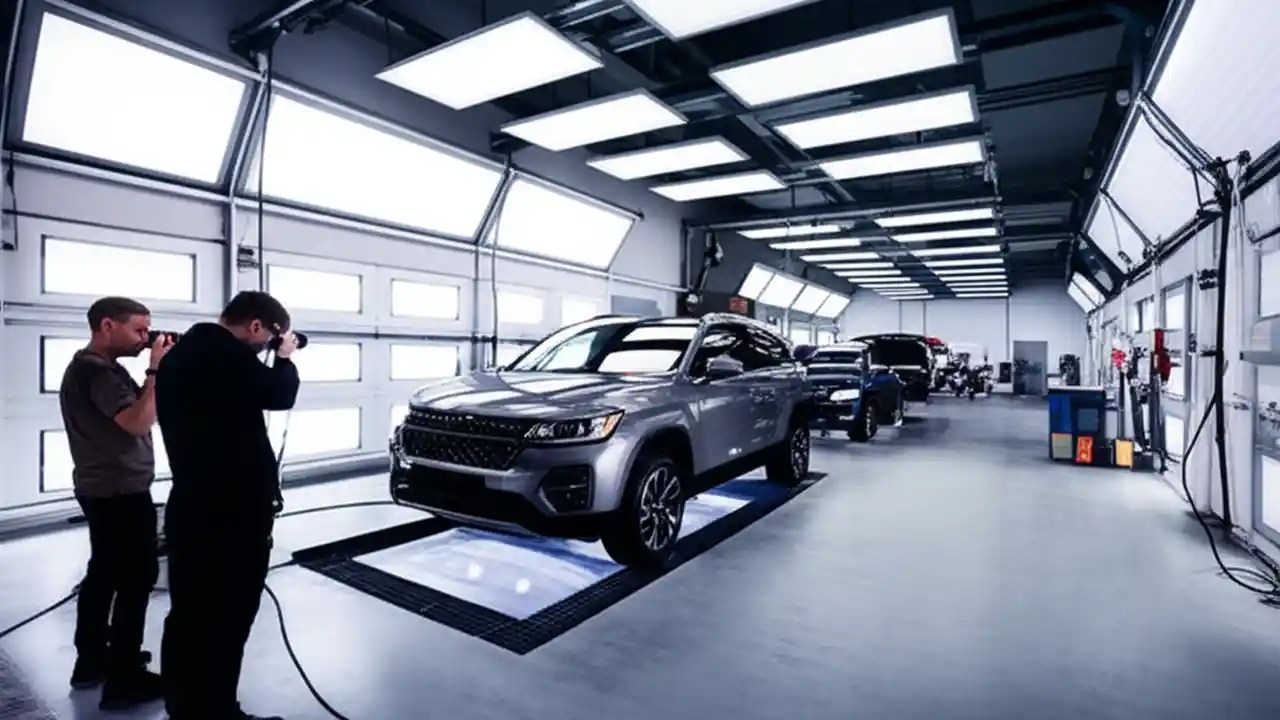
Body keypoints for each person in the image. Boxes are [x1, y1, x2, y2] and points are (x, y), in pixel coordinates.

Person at [155, 291, 301, 720]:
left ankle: (186, 709)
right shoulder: (225, 356)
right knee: (228, 617)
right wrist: (287, 357)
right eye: (271, 337)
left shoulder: (180, 357)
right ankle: (217, 712)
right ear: (256, 326)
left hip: (192, 504)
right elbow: (279, 392)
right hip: (232, 515)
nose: (269, 346)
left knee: (187, 616)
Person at [59, 296, 172, 709]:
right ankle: (124, 679)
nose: (146, 338)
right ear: (108, 325)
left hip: (101, 488)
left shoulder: (94, 368)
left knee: (104, 574)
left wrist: (152, 374)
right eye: (139, 330)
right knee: (135, 580)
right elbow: (139, 421)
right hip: (119, 492)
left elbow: (137, 411)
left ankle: (91, 661)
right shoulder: (97, 373)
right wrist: (157, 368)